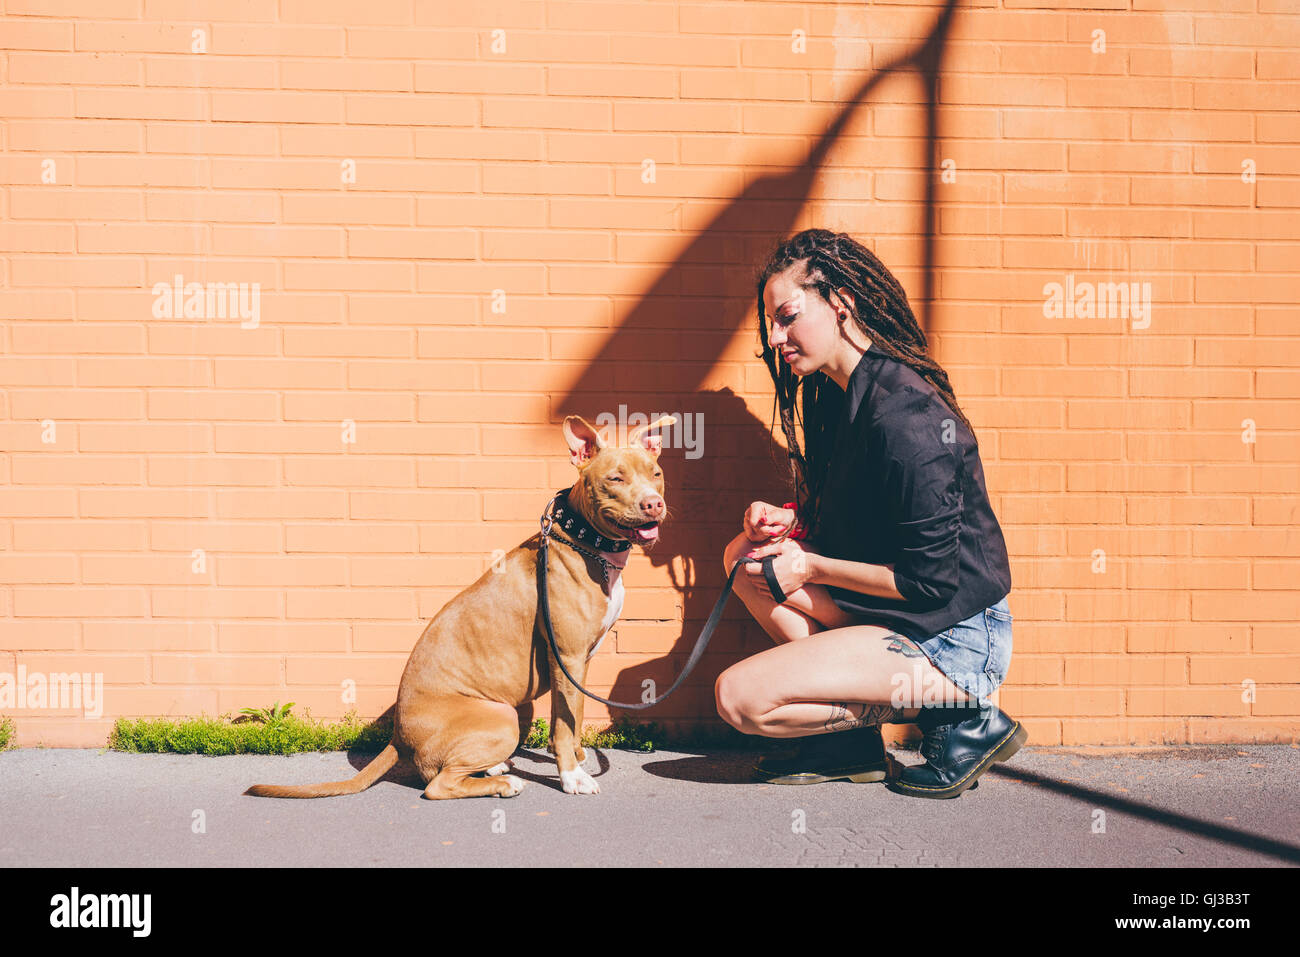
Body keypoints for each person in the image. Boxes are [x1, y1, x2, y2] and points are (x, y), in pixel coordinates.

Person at [714, 228, 1027, 799]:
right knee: (745, 559)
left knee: (741, 698)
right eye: (772, 324)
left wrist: (810, 567)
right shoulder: (839, 394)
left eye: (788, 316)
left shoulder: (907, 419)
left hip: (954, 635)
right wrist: (791, 525)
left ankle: (963, 719)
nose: (776, 337)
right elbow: (859, 522)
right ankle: (848, 749)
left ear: (842, 303)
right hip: (904, 612)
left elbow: (928, 581)